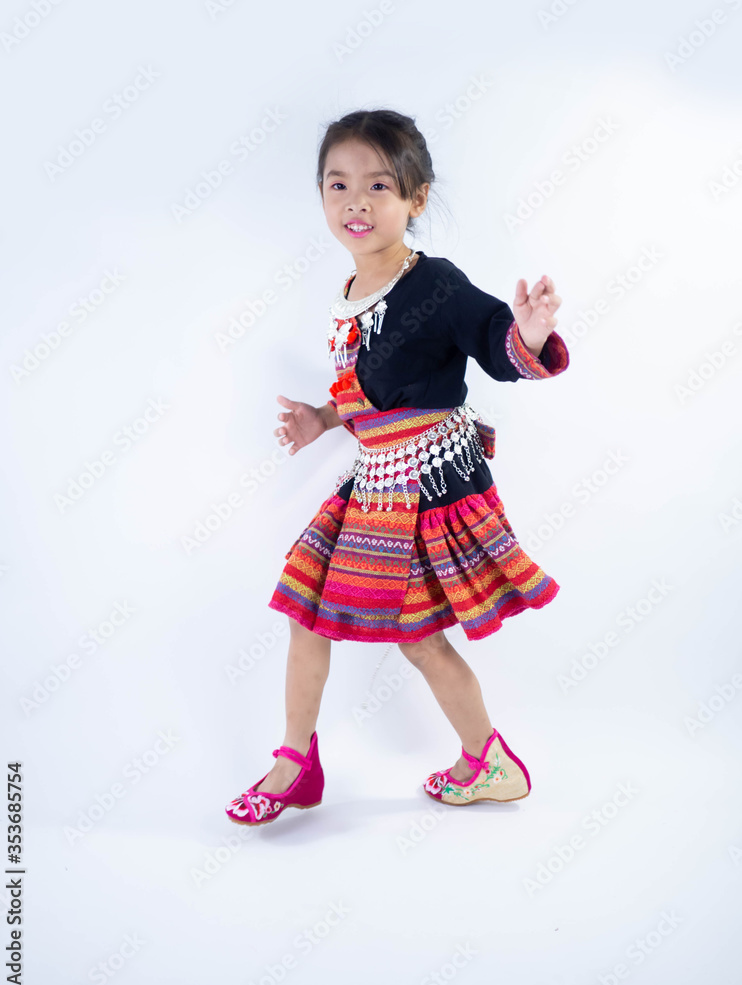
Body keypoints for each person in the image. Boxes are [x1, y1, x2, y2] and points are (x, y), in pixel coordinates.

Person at [225, 109, 569, 827]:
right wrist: (322, 420)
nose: (355, 201)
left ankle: (487, 761)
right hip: (374, 479)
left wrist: (527, 333)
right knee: (305, 606)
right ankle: (297, 762)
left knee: (417, 636)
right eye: (338, 183)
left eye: (378, 185)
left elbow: (495, 345)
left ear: (415, 199)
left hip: (429, 484)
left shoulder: (436, 284)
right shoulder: (349, 297)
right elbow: (370, 392)